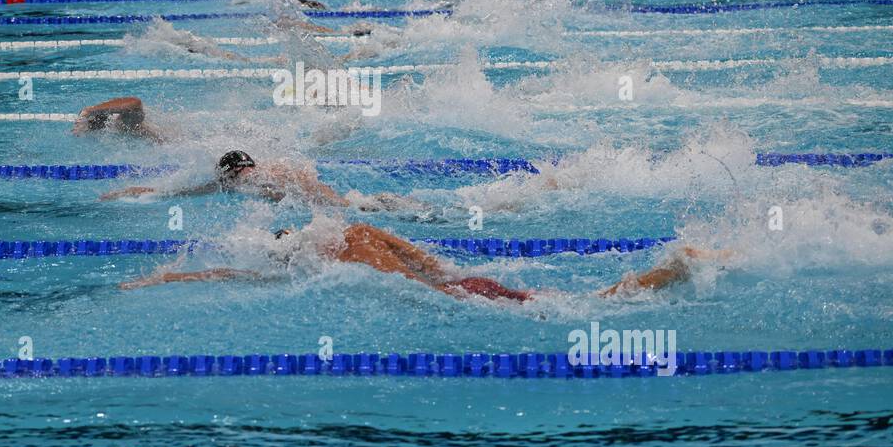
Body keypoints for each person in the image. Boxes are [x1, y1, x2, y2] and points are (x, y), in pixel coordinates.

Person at [120, 220, 728, 304]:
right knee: (560, 302)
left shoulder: (342, 253)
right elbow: (429, 262)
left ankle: (665, 272)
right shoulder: (355, 229)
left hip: (464, 295)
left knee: (573, 311)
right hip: (465, 279)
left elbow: (419, 284)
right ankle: (665, 269)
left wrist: (171, 276)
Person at [101, 150, 415, 211]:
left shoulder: (272, 175)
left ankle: (386, 203)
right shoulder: (232, 183)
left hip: (340, 203)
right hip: (324, 201)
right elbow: (179, 192)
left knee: (357, 206)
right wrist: (136, 191)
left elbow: (310, 188)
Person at [74, 96, 164, 140]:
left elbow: (135, 103)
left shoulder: (122, 125)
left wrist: (90, 111)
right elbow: (135, 103)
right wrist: (90, 111)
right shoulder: (122, 125)